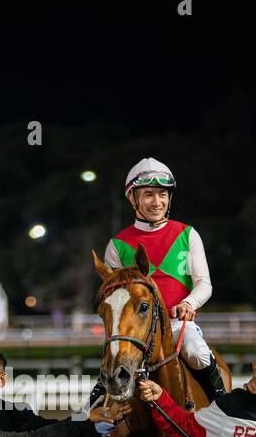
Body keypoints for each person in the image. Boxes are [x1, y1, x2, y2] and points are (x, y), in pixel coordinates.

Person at [86, 157, 224, 407]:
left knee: (197, 352)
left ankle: (224, 407)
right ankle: (94, 416)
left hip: (175, 325)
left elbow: (204, 284)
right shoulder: (117, 245)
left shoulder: (187, 234)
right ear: (133, 198)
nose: (157, 202)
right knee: (111, 366)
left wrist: (189, 302)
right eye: (149, 194)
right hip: (135, 330)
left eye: (163, 194)